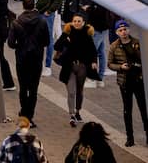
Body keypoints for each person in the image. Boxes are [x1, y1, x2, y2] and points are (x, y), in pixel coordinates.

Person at [8, 0, 50, 129]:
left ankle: (24, 113)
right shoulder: (42, 21)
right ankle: (29, 116)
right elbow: (47, 41)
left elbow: (10, 43)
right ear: (34, 5)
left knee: (23, 87)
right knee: (33, 89)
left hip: (22, 58)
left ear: (23, 6)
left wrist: (20, 46)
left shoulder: (16, 22)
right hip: (36, 58)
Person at [54, 12, 100, 128]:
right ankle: (72, 114)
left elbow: (93, 50)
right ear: (72, 22)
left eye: (79, 21)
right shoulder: (67, 32)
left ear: (83, 22)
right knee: (71, 92)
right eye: (75, 21)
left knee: (79, 90)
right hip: (69, 67)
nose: (76, 23)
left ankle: (78, 111)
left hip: (82, 67)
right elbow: (56, 46)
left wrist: (94, 62)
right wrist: (65, 40)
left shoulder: (87, 33)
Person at [107, 19, 148, 147]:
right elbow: (110, 64)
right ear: (117, 32)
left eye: (125, 29)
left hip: (139, 80)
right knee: (127, 110)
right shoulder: (114, 46)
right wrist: (120, 67)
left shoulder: (137, 42)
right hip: (125, 82)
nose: (123, 32)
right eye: (120, 30)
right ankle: (130, 137)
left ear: (128, 30)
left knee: (144, 109)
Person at [32, 0, 66, 76]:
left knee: (49, 39)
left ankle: (48, 66)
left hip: (47, 13)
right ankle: (39, 63)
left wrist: (50, 10)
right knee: (37, 38)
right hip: (37, 11)